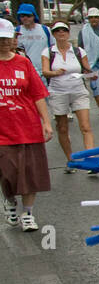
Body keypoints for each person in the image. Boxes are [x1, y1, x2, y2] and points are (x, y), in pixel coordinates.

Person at [0, 17, 54, 231]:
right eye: (0, 39)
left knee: (31, 172)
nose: (4, 42)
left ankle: (28, 213)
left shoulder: (23, 63)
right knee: (7, 172)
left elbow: (37, 94)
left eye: (7, 38)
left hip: (27, 127)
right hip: (3, 131)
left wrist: (46, 122)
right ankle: (10, 200)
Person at [40, 21, 96, 172]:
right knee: (62, 128)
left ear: (68, 33)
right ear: (54, 34)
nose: (61, 33)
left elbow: (87, 71)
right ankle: (70, 160)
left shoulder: (78, 51)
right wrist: (55, 73)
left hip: (78, 91)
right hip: (58, 92)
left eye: (64, 30)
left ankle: (90, 159)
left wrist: (92, 75)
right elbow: (45, 71)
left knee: (85, 126)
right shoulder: (48, 52)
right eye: (57, 31)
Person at [15, 4, 52, 72]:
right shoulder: (16, 31)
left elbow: (53, 47)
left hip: (45, 69)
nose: (25, 18)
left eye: (28, 16)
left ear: (34, 16)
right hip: (26, 69)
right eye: (22, 16)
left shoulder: (46, 30)